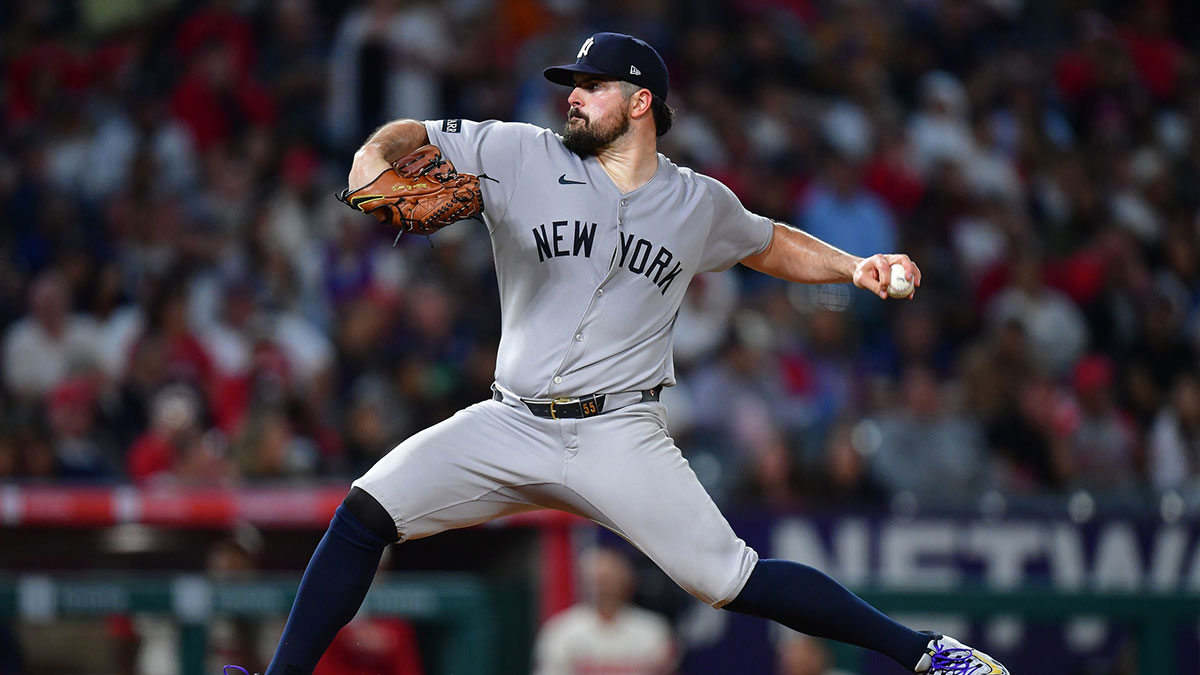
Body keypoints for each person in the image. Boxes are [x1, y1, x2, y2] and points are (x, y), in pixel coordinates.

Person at [247, 32, 1009, 675]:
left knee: (731, 577)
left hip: (620, 434)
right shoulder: (518, 152)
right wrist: (371, 158)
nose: (573, 96)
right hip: (509, 420)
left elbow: (769, 242)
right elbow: (406, 134)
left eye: (592, 85)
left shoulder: (697, 202)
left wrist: (851, 266)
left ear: (641, 102)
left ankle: (929, 656)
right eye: (571, 85)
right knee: (364, 511)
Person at [533, 547, 675, 675]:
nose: (603, 587)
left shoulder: (652, 629)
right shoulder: (562, 629)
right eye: (598, 580)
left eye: (609, 579)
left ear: (626, 581)